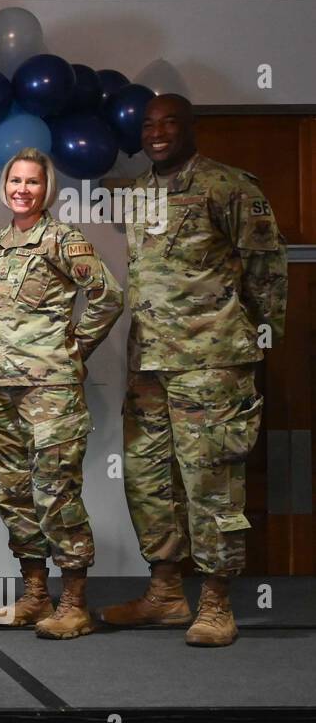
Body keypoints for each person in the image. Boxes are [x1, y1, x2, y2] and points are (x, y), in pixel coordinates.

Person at [102, 94, 288, 646]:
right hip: (148, 368)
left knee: (211, 484)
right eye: (149, 125)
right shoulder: (136, 194)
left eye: (170, 123)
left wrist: (256, 342)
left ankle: (215, 602)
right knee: (147, 482)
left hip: (212, 365)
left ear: (190, 128)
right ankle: (164, 594)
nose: (157, 132)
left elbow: (267, 270)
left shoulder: (229, 186)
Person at [0, 147, 123, 639]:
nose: (22, 189)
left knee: (56, 495)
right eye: (15, 181)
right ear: (5, 186)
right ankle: (36, 595)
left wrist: (75, 350)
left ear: (48, 190)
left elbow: (109, 296)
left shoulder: (63, 239)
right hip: (2, 391)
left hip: (52, 391)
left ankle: (74, 603)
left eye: (33, 182)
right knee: (14, 496)